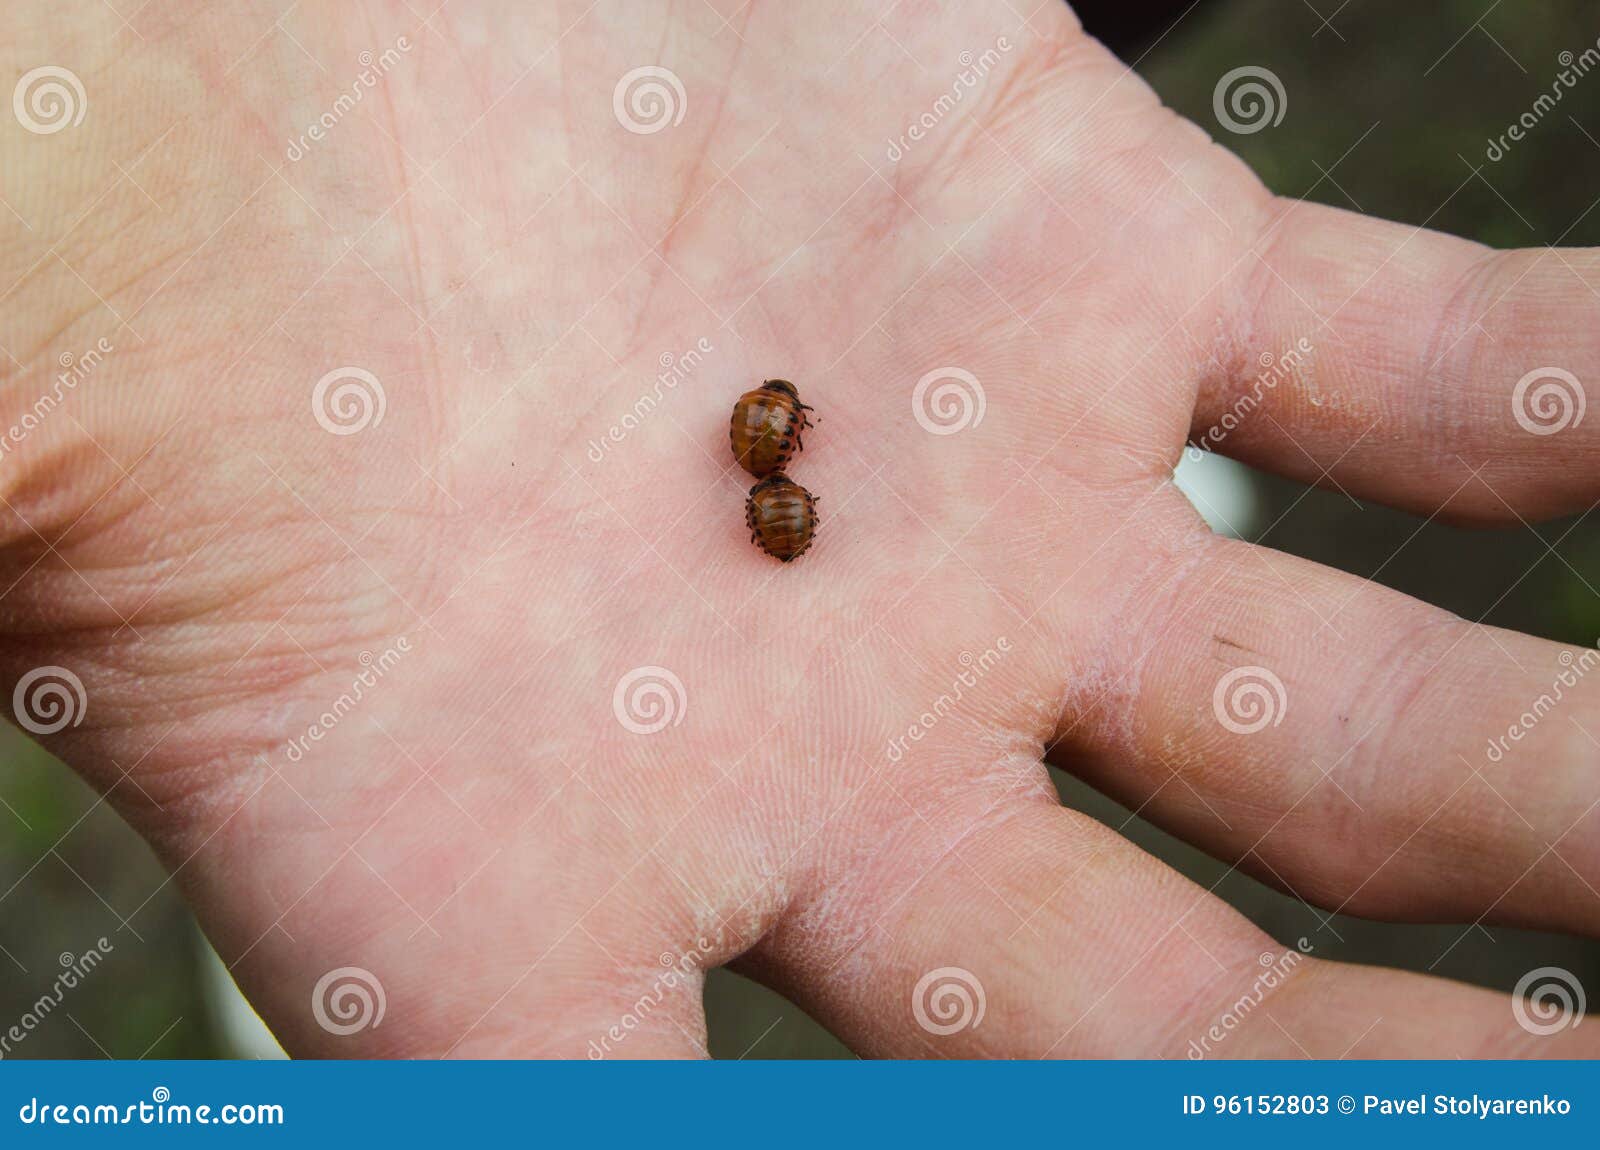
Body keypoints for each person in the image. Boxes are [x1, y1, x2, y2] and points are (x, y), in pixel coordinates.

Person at [1, 1, 1594, 1058]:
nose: (775, 463)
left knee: (1044, 170)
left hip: (875, 64)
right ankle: (1127, 475)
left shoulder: (773, 435)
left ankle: (1116, 461)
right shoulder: (768, 450)